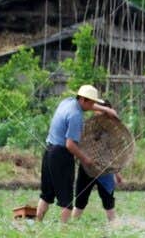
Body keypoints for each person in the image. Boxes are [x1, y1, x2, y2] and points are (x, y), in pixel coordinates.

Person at [35, 84, 119, 225]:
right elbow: (70, 145)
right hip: (61, 155)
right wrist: (86, 160)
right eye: (92, 103)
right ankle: (63, 233)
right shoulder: (76, 116)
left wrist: (105, 108)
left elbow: (89, 106)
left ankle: (38, 223)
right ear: (84, 100)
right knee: (67, 201)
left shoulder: (67, 102)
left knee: (46, 195)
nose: (93, 107)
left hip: (48, 150)